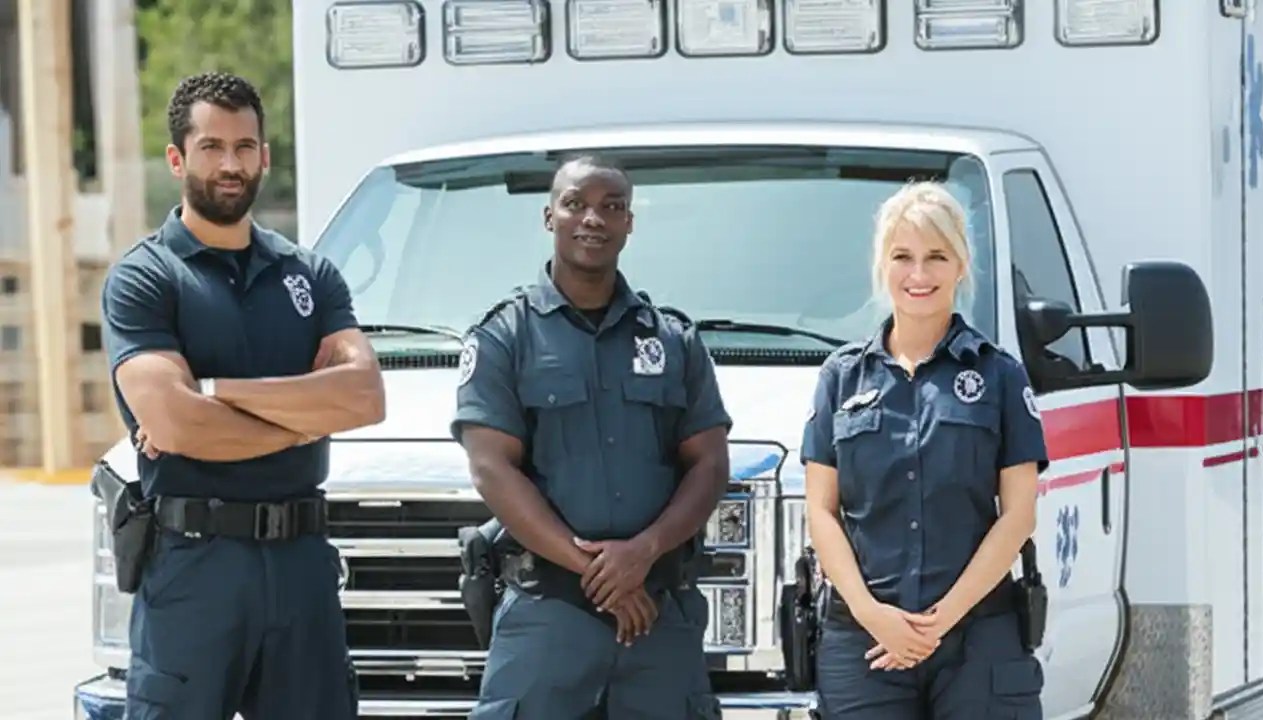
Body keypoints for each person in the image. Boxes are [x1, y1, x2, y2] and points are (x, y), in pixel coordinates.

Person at [100, 71, 386, 719]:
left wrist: (213, 392)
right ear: (177, 158)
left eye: (245, 146)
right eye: (211, 147)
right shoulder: (145, 279)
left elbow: (366, 397)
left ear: (265, 154)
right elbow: (175, 426)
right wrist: (307, 418)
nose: (231, 164)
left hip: (301, 566)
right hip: (194, 565)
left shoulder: (309, 274)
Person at [451, 155, 732, 719]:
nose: (593, 219)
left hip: (657, 616)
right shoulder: (506, 335)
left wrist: (644, 552)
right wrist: (603, 573)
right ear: (548, 215)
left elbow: (709, 464)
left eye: (612, 207)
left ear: (630, 223)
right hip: (547, 615)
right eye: (576, 203)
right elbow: (491, 469)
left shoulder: (673, 339)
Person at [801, 181, 1047, 719]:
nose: (919, 274)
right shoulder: (841, 378)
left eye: (936, 256)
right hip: (865, 643)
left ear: (960, 266)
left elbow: (1019, 514)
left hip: (977, 638)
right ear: (882, 267)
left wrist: (939, 620)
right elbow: (820, 511)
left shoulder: (998, 375)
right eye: (903, 257)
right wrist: (874, 615)